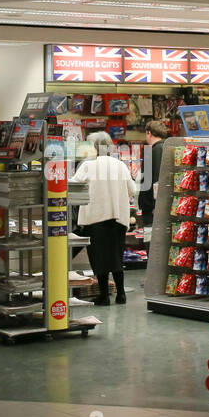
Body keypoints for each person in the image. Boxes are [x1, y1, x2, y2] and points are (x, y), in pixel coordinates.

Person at [71, 131, 137, 306]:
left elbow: (73, 186)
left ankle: (104, 296)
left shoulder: (88, 165)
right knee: (116, 256)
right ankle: (121, 294)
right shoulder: (119, 164)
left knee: (99, 258)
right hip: (118, 218)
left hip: (96, 218)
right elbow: (132, 190)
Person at [138, 120, 167, 224]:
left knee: (150, 238)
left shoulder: (152, 151)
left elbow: (155, 179)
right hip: (162, 205)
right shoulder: (168, 148)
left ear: (149, 133)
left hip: (152, 208)